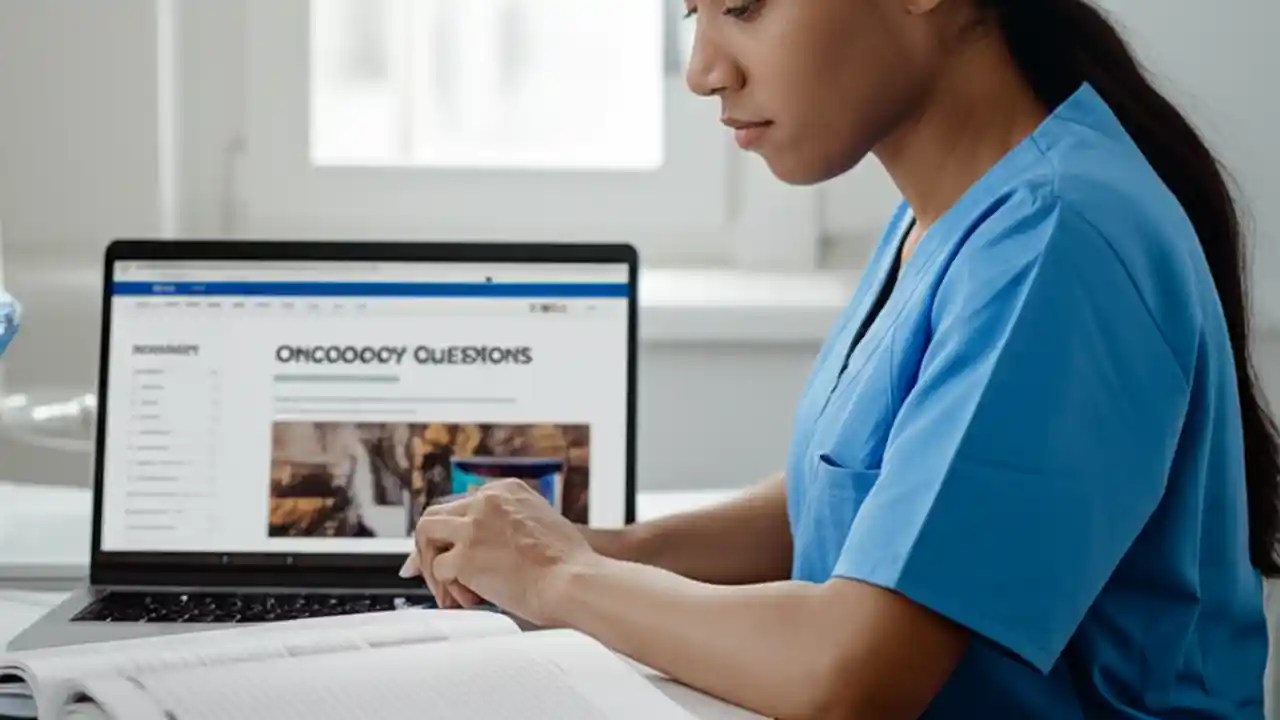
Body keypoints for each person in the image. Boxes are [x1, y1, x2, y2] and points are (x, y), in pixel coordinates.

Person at [400, 0, 1277, 716]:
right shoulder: (952, 210)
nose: (705, 69)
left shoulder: (1057, 241)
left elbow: (853, 673)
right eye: (693, 14)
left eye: (744, 7)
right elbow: (867, 498)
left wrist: (562, 576)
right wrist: (609, 549)